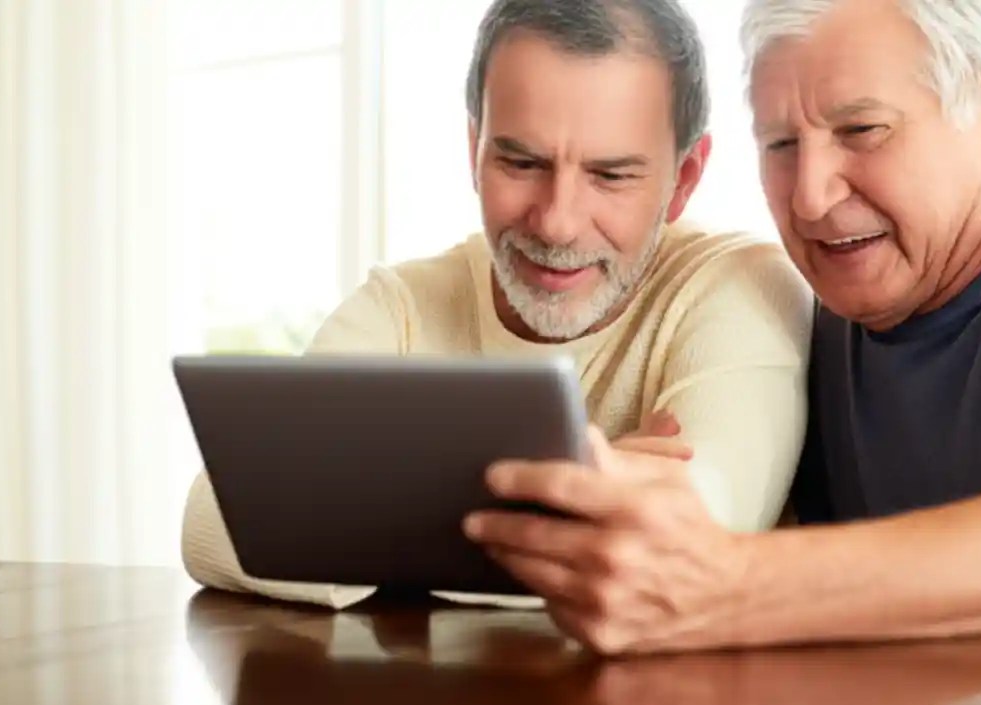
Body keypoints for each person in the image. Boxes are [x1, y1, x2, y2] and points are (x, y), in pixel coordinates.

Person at [460, 0, 981, 705]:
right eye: (780, 143)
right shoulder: (802, 328)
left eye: (862, 131)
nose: (809, 194)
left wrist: (722, 580)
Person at [179, 0, 813, 610]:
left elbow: (701, 530)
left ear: (685, 179)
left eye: (611, 175)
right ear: (474, 151)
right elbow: (219, 513)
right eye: (521, 161)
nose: (558, 223)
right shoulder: (400, 310)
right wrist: (588, 484)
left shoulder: (739, 284)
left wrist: (369, 512)